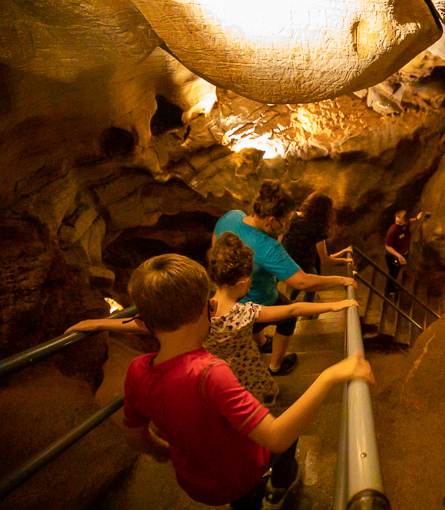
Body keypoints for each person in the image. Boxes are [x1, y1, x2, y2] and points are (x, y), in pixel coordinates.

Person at [102, 253, 376, 509]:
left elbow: (136, 438)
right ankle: (278, 487)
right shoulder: (211, 373)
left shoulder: (136, 371)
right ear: (208, 306)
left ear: (142, 322)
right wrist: (329, 376)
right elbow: (277, 437)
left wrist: (163, 451)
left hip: (192, 482)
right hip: (239, 480)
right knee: (287, 441)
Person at [67, 232, 360, 408]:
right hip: (247, 376)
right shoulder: (244, 314)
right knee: (259, 405)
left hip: (209, 380)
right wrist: (338, 305)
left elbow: (140, 323)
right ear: (244, 282)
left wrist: (96, 323)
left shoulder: (193, 313)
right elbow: (293, 310)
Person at [213, 179, 357, 377]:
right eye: (285, 221)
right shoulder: (268, 247)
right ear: (272, 220)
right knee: (287, 320)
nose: (287, 226)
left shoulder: (231, 217)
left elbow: (215, 247)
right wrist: (340, 280)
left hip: (229, 297)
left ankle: (263, 344)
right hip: (259, 300)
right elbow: (302, 282)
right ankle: (276, 366)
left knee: (258, 325)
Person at [281, 191, 353, 305]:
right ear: (326, 211)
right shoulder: (318, 228)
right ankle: (306, 314)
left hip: (287, 262)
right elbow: (325, 259)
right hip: (305, 265)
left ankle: (291, 300)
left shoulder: (292, 217)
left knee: (300, 279)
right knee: (312, 279)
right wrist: (345, 260)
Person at [384, 209, 425, 296]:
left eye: (400, 223)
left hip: (403, 253)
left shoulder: (407, 224)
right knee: (392, 273)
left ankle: (393, 286)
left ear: (405, 222)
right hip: (393, 256)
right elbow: (388, 246)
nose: (397, 224)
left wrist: (417, 219)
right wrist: (398, 255)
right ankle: (389, 291)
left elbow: (410, 221)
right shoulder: (393, 231)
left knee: (397, 271)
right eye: (396, 221)